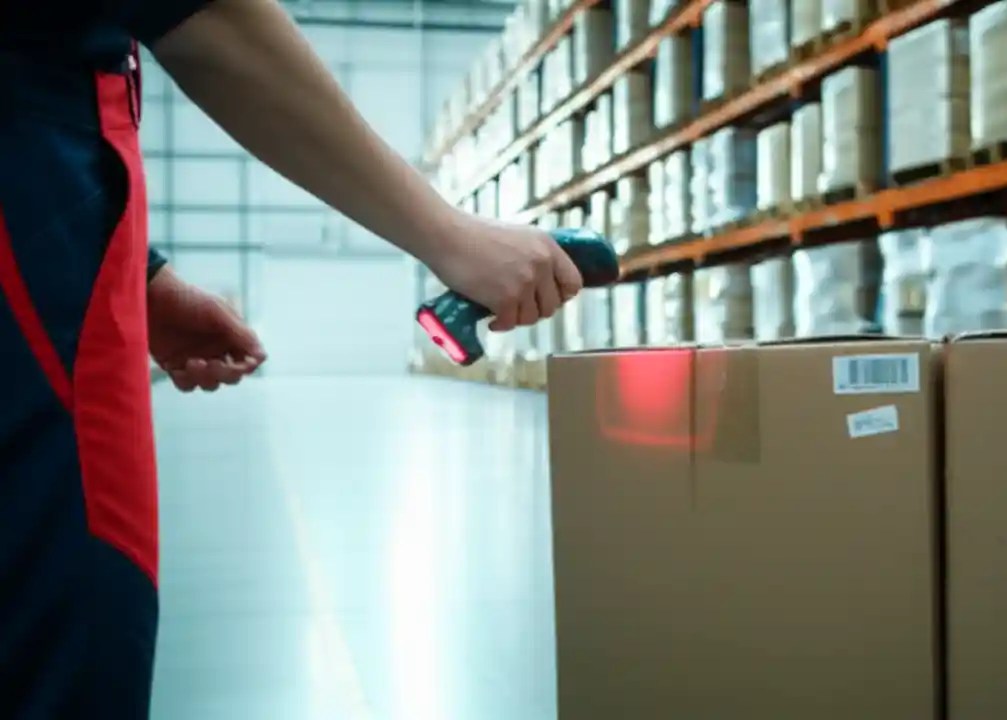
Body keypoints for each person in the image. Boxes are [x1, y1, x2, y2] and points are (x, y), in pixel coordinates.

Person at [0, 0, 583, 716]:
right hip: (32, 228)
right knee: (62, 647)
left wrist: (138, 276)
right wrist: (452, 238)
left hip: (49, 222)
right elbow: (209, 17)